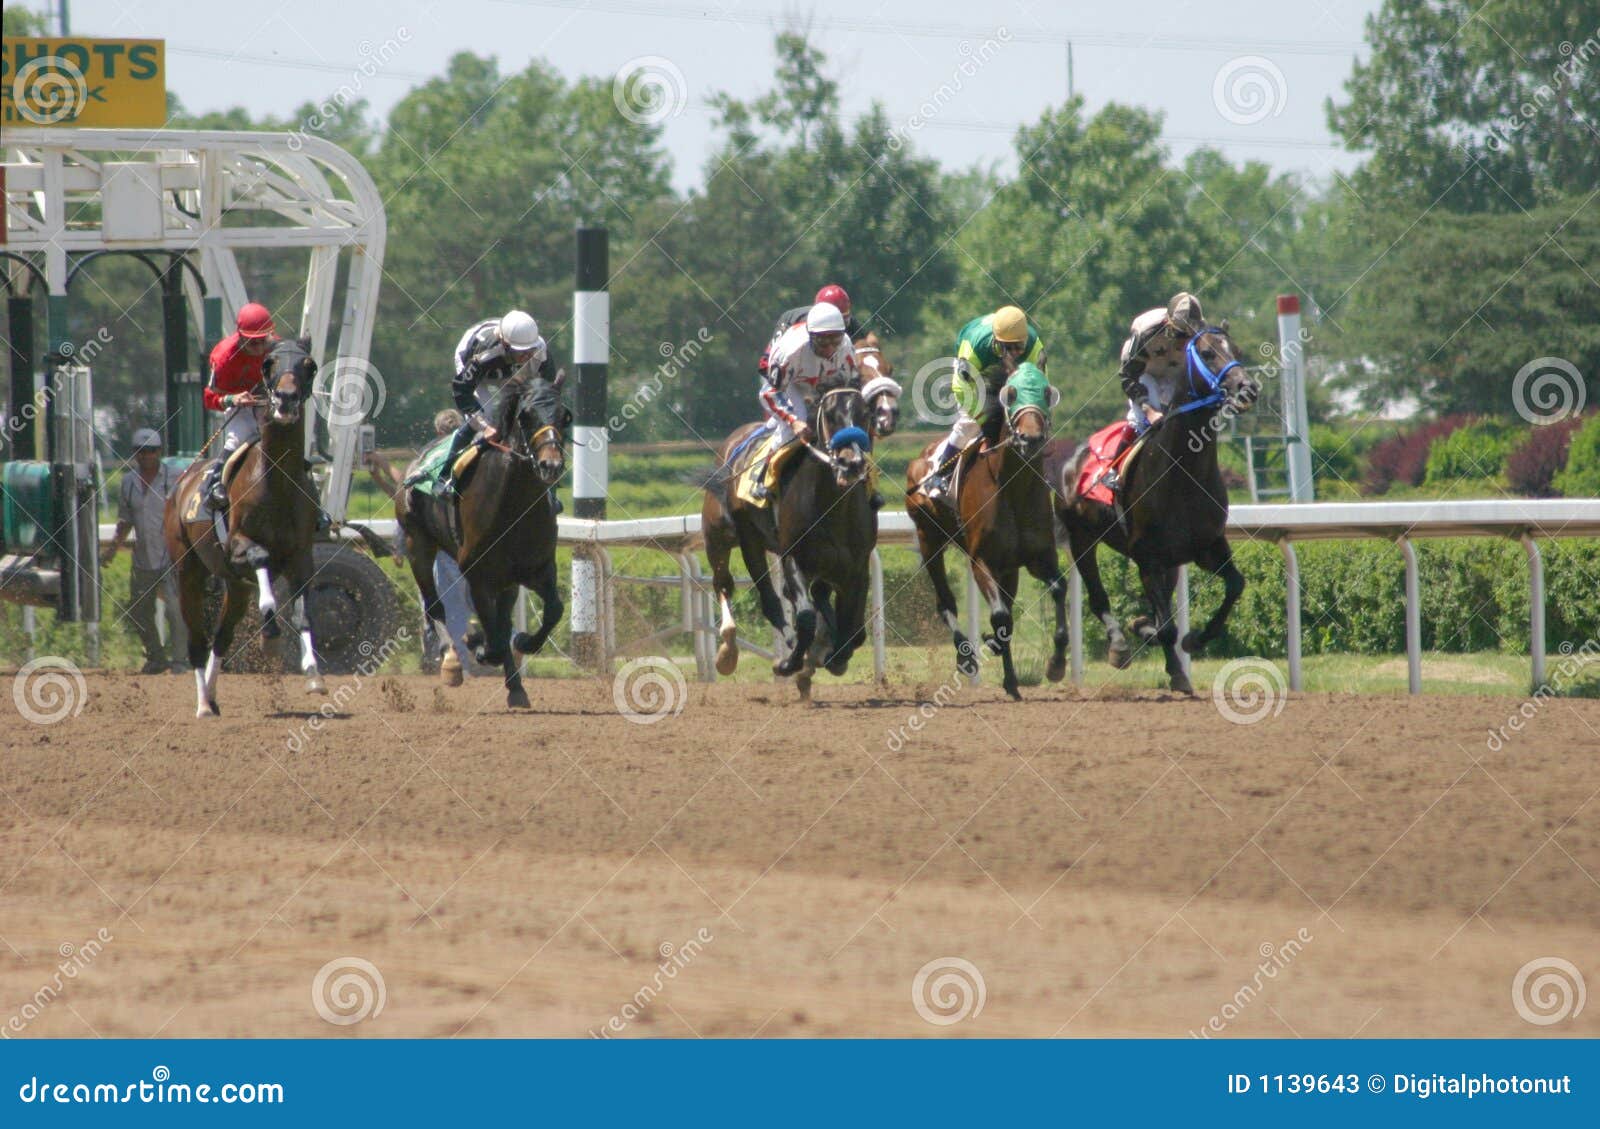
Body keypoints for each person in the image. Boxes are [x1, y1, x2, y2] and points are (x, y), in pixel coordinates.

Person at [918, 304, 1046, 499]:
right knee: (969, 424)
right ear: (996, 341)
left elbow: (1039, 385)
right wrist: (983, 418)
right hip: (974, 376)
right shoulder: (974, 348)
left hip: (1015, 374)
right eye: (1008, 347)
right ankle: (941, 473)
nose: (1014, 352)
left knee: (1031, 423)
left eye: (1019, 346)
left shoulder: (1034, 345)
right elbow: (962, 389)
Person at [436, 309, 563, 504]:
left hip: (508, 368)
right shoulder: (484, 355)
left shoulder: (539, 351)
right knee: (488, 419)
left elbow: (545, 396)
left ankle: (550, 491)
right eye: (520, 352)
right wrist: (484, 427)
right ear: (504, 344)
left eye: (529, 352)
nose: (525, 357)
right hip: (476, 369)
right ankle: (445, 477)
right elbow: (461, 390)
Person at [751, 301, 858, 500]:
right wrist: (794, 421)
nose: (830, 349)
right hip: (788, 383)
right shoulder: (790, 352)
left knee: (847, 424)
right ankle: (762, 474)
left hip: (823, 380)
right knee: (795, 423)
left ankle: (867, 483)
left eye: (836, 340)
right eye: (823, 343)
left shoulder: (846, 348)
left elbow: (849, 389)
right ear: (811, 337)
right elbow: (769, 393)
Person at [102, 429, 187, 674]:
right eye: (141, 451)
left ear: (159, 452)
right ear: (135, 455)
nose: (147, 456)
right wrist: (112, 550)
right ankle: (156, 657)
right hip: (143, 557)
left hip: (170, 556)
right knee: (139, 610)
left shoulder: (174, 478)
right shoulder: (128, 482)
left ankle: (180, 661)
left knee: (175, 609)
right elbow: (125, 521)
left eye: (151, 451)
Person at [200, 302, 277, 510]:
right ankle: (215, 484)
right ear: (240, 336)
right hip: (239, 407)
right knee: (237, 438)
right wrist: (232, 399)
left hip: (268, 405)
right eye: (253, 344)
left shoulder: (277, 350)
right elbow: (208, 399)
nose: (259, 349)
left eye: (263, 342)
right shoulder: (223, 357)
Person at [1119, 291, 1206, 434]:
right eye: (1179, 334)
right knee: (1141, 422)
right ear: (1167, 322)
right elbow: (1128, 376)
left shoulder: (1203, 335)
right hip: (1145, 378)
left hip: (1177, 380)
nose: (1184, 341)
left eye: (1190, 335)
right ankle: (1122, 454)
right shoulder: (1146, 333)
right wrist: (1148, 410)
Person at [759, 284, 863, 377]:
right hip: (789, 368)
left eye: (844, 320)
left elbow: (867, 343)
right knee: (766, 366)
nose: (835, 324)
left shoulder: (848, 322)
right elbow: (765, 367)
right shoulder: (801, 324)